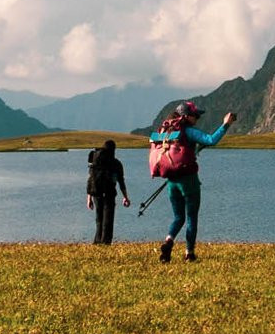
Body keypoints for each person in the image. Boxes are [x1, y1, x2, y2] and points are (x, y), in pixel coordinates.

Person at [151, 101, 237, 263]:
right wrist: (226, 124)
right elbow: (211, 140)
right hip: (188, 181)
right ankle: (189, 253)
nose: (197, 118)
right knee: (191, 217)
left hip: (171, 182)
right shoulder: (189, 132)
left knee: (178, 217)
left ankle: (168, 241)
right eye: (195, 115)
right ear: (186, 116)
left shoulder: (168, 132)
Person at [85, 139, 130, 245]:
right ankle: (106, 242)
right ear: (114, 149)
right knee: (108, 219)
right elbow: (121, 182)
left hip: (96, 193)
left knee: (99, 218)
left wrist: (89, 198)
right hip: (109, 194)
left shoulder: (96, 161)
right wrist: (125, 197)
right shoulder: (116, 163)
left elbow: (91, 179)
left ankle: (97, 241)